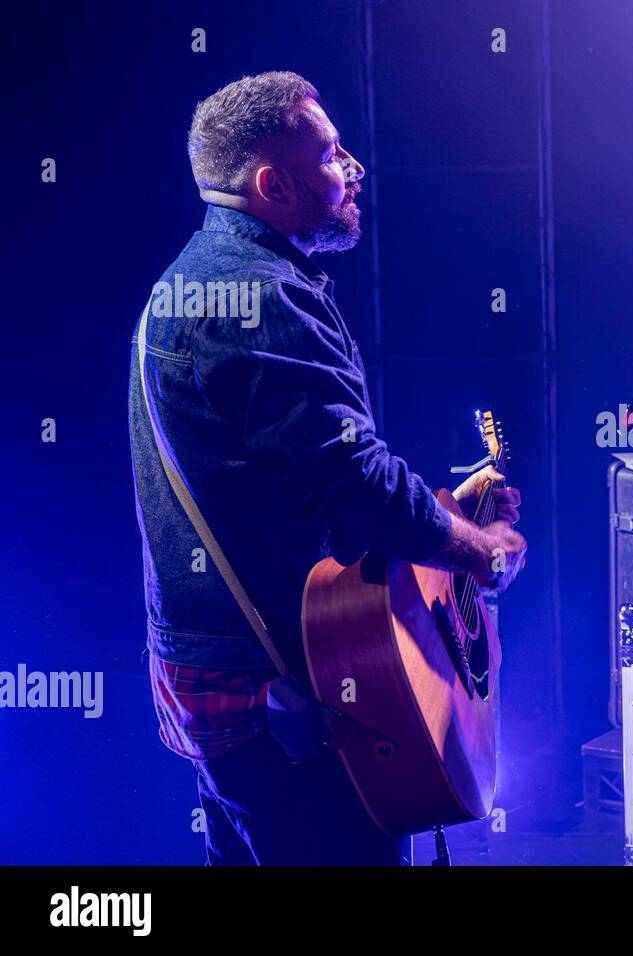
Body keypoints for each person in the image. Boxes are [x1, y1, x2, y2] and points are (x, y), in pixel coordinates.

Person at [129, 72, 525, 865]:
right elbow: (353, 481)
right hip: (284, 689)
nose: (355, 170)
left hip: (230, 683)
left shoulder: (203, 275)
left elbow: (302, 474)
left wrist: (444, 511)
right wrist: (474, 548)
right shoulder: (261, 291)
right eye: (333, 154)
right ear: (273, 184)